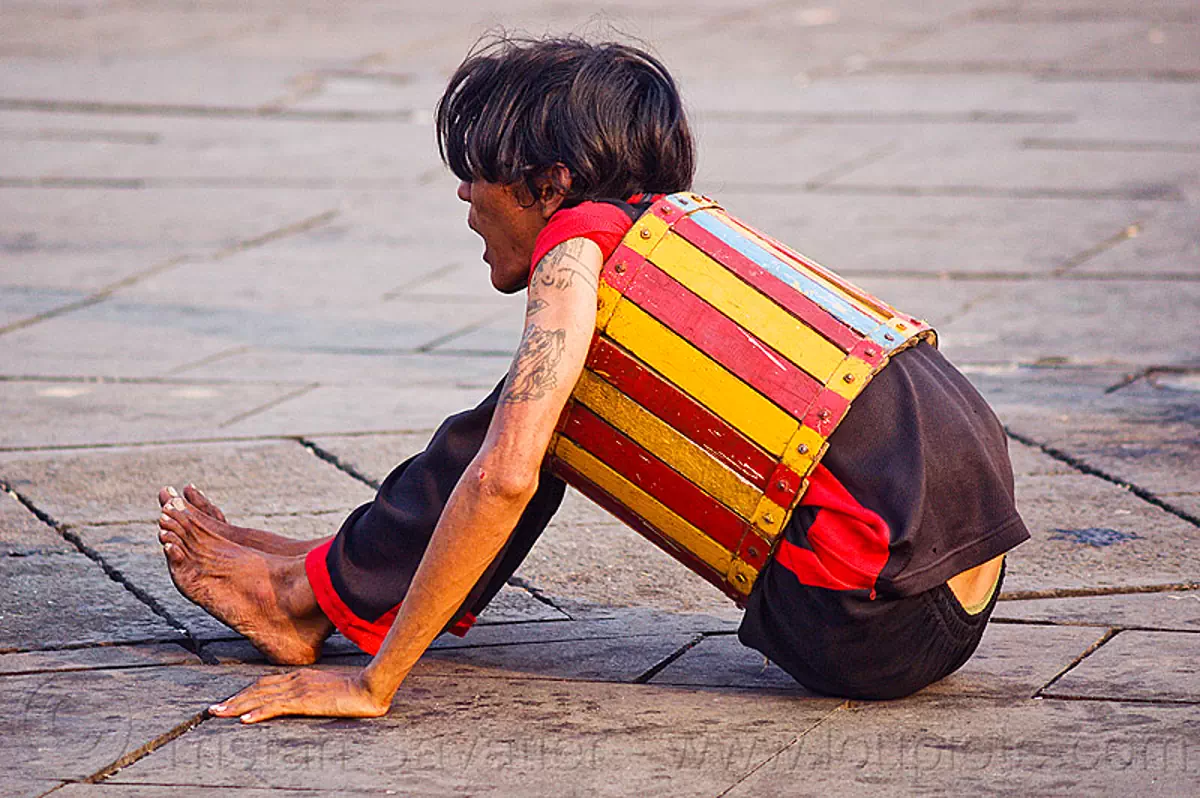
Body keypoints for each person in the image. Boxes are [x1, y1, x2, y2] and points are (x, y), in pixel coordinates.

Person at [154, 35, 1028, 723]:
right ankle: (321, 579)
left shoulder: (578, 251)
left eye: (477, 170)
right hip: (948, 602)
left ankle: (306, 598)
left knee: (532, 422)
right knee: (532, 410)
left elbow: (504, 477)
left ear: (550, 182)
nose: (464, 196)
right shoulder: (681, 231)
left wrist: (376, 684)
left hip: (867, 628)